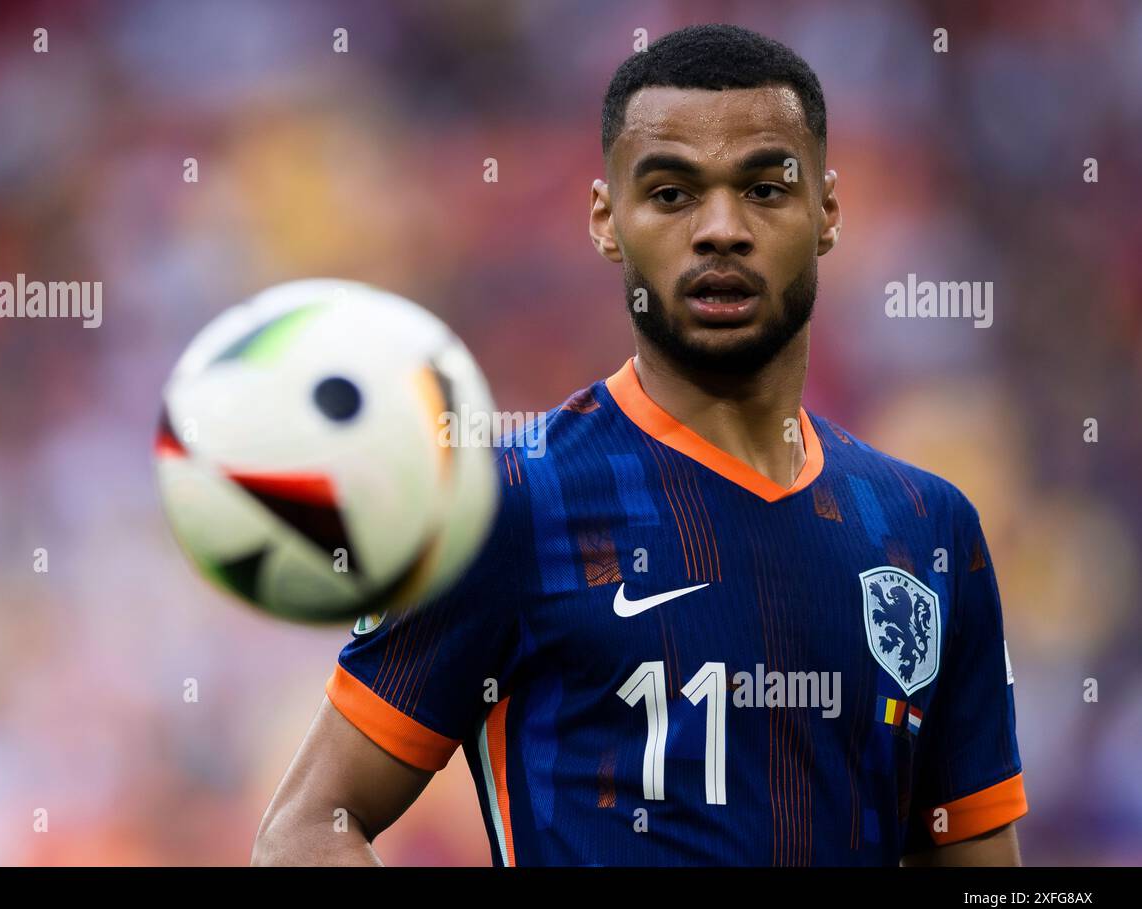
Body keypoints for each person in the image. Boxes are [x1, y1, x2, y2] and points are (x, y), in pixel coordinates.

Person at [253, 23, 1025, 866]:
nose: (722, 229)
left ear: (827, 211)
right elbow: (309, 828)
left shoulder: (929, 528)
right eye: (671, 193)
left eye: (765, 189)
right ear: (605, 219)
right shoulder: (503, 503)